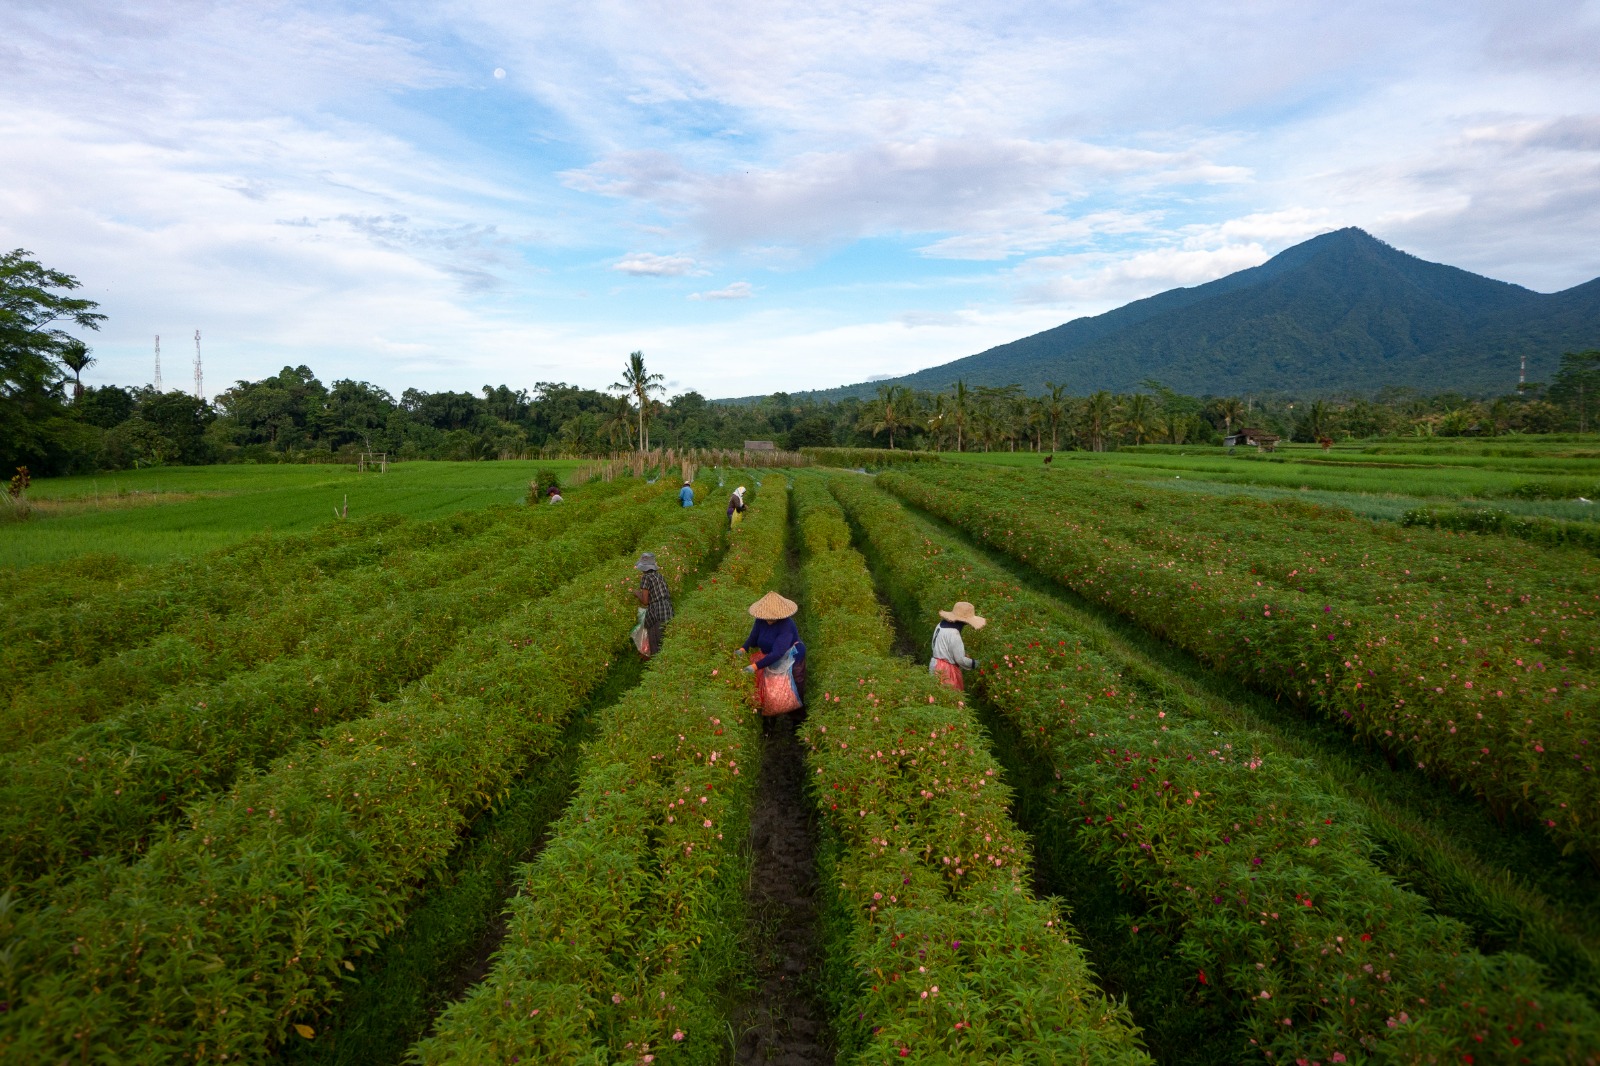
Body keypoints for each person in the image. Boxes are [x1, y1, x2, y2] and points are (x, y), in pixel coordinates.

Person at [741, 591, 804, 717]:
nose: (769, 620)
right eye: (767, 617)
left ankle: (797, 721)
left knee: (793, 688)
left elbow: (777, 653)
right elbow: (753, 638)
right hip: (770, 655)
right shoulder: (760, 620)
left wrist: (754, 666)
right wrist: (743, 649)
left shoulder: (786, 625)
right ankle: (769, 721)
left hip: (791, 657)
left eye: (772, 617)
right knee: (771, 689)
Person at [929, 601, 984, 690]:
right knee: (949, 699)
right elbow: (960, 659)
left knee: (936, 696)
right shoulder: (954, 634)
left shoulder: (940, 625)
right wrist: (976, 663)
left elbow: (939, 646)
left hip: (934, 664)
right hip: (946, 671)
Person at [632, 552, 673, 658]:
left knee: (656, 645)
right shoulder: (659, 576)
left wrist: (637, 594)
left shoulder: (646, 578)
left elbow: (645, 601)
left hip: (657, 612)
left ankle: (658, 667)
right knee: (666, 641)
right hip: (668, 609)